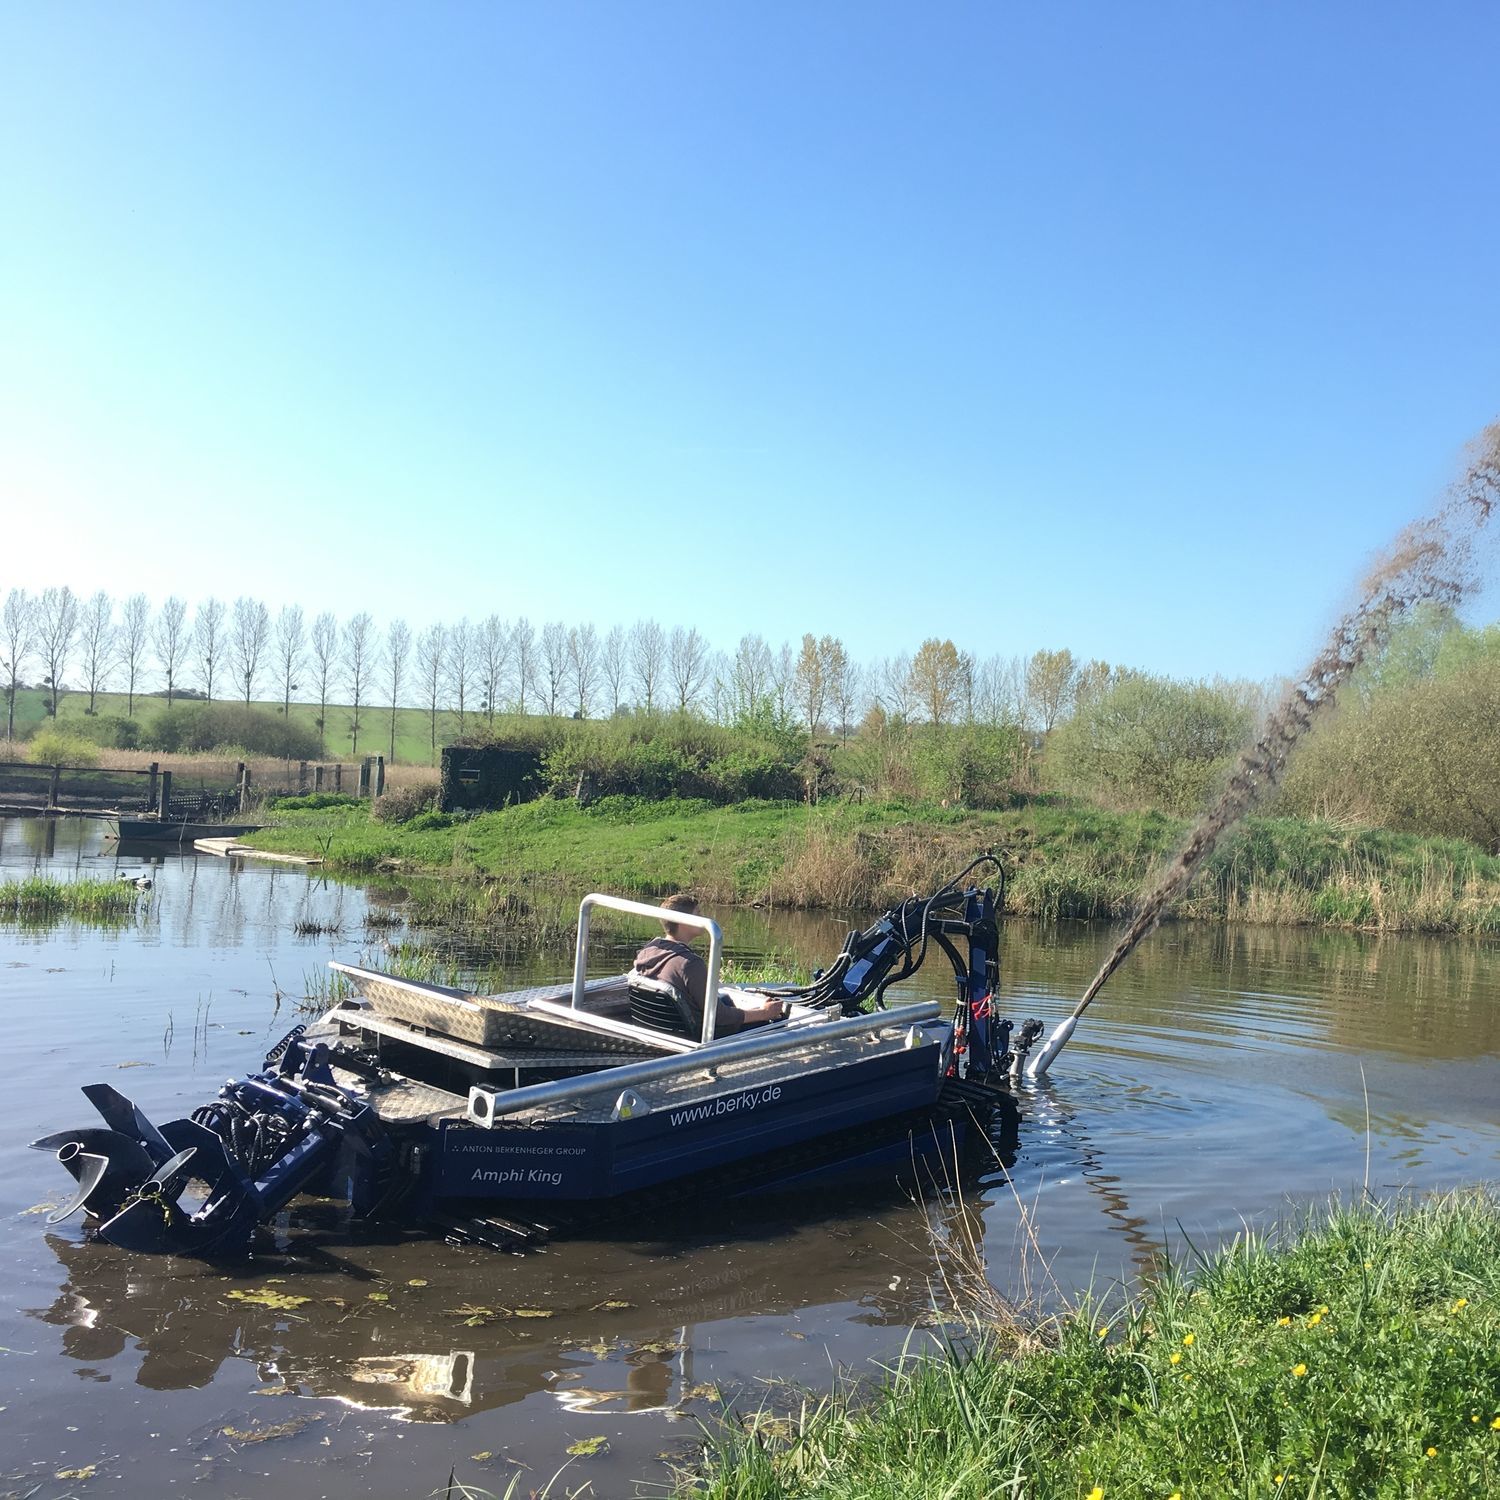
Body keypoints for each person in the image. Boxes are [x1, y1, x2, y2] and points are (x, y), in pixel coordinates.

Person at [633, 893, 787, 1035]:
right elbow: (719, 1017)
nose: (703, 918)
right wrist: (764, 1013)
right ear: (684, 921)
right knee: (777, 1022)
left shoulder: (648, 951)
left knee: (725, 998)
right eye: (698, 913)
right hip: (700, 1037)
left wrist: (756, 1010)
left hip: (668, 1029)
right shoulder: (689, 964)